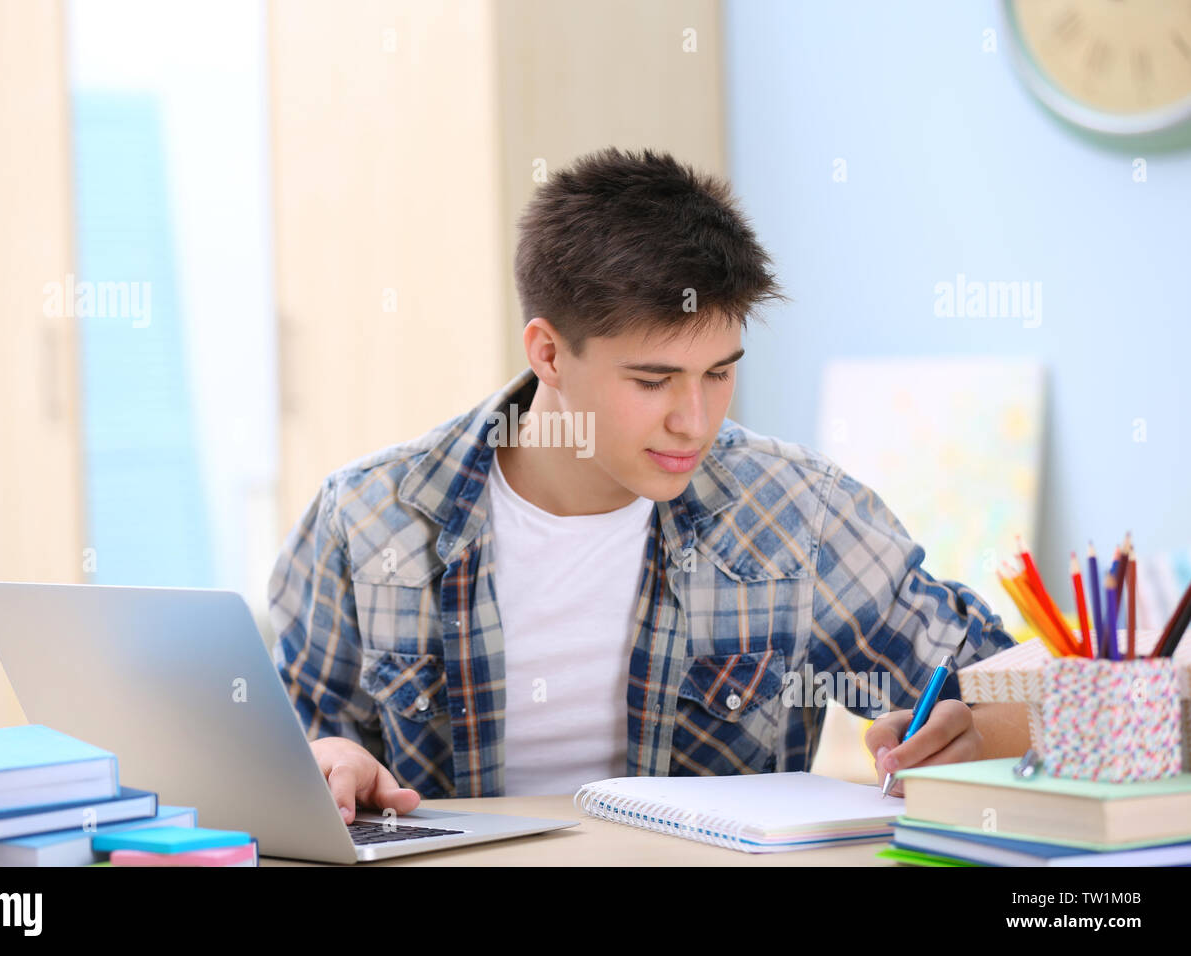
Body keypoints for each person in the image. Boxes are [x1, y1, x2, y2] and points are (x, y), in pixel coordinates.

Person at [268, 146, 1028, 825]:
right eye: (654, 379)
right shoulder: (367, 520)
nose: (693, 421)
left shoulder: (800, 513)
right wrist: (325, 757)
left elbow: (1001, 687)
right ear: (549, 352)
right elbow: (280, 750)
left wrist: (973, 734)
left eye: (720, 373)